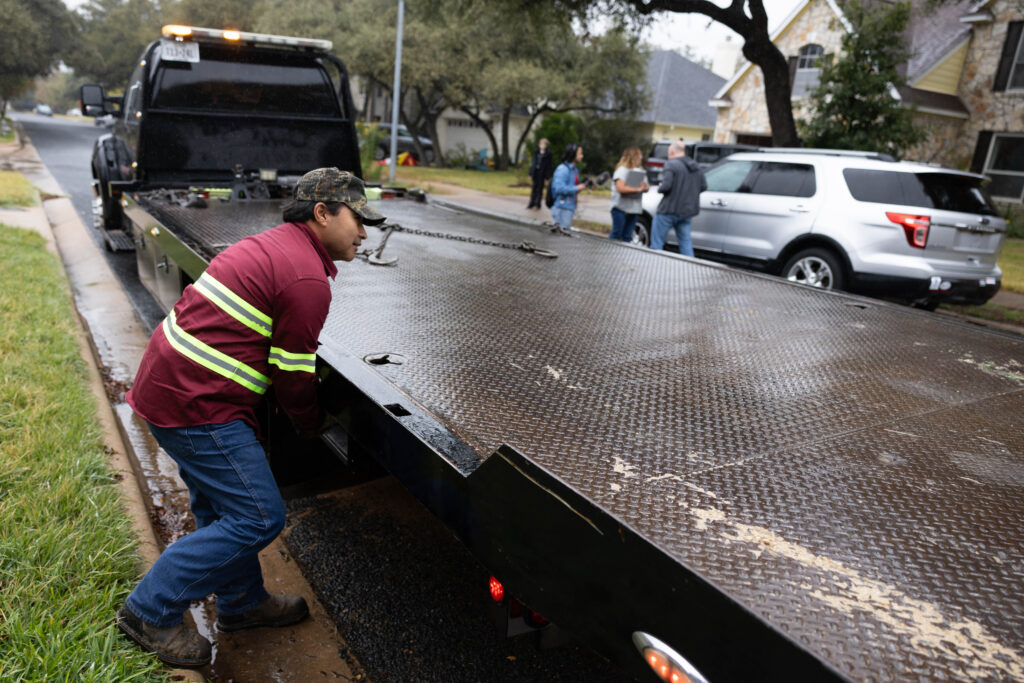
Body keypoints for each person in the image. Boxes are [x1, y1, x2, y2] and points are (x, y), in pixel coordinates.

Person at [116, 168, 385, 668]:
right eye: (358, 220)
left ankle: (241, 604)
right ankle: (149, 611)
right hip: (196, 405)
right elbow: (292, 378)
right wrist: (310, 422)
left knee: (221, 508)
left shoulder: (277, 245)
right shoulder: (307, 278)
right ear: (322, 214)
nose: (365, 233)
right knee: (259, 515)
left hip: (170, 387)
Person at [651, 140, 706, 255]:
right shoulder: (696, 166)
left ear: (671, 151)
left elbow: (666, 186)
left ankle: (653, 265)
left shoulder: (671, 164)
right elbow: (703, 186)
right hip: (687, 212)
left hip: (668, 210)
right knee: (685, 243)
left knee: (657, 243)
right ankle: (688, 266)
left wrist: (660, 187)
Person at [608, 146, 649, 242]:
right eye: (639, 155)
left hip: (633, 209)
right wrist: (638, 189)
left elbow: (646, 187)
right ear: (634, 156)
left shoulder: (640, 171)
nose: (641, 158)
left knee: (627, 237)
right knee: (617, 234)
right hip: (620, 209)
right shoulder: (622, 170)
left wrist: (645, 187)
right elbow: (620, 188)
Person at [550, 143, 587, 232]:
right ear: (573, 154)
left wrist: (582, 187)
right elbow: (559, 188)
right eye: (580, 153)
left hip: (569, 207)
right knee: (559, 237)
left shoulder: (575, 170)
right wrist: (577, 188)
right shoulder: (563, 169)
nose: (582, 156)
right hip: (562, 208)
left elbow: (573, 188)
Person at [526, 138, 554, 209]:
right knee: (534, 188)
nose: (542, 146)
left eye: (544, 144)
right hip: (536, 172)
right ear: (539, 145)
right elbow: (533, 164)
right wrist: (530, 174)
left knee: (540, 189)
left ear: (546, 145)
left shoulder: (548, 154)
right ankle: (531, 203)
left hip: (542, 174)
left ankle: (537, 204)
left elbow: (549, 166)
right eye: (541, 144)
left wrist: (547, 176)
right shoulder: (536, 152)